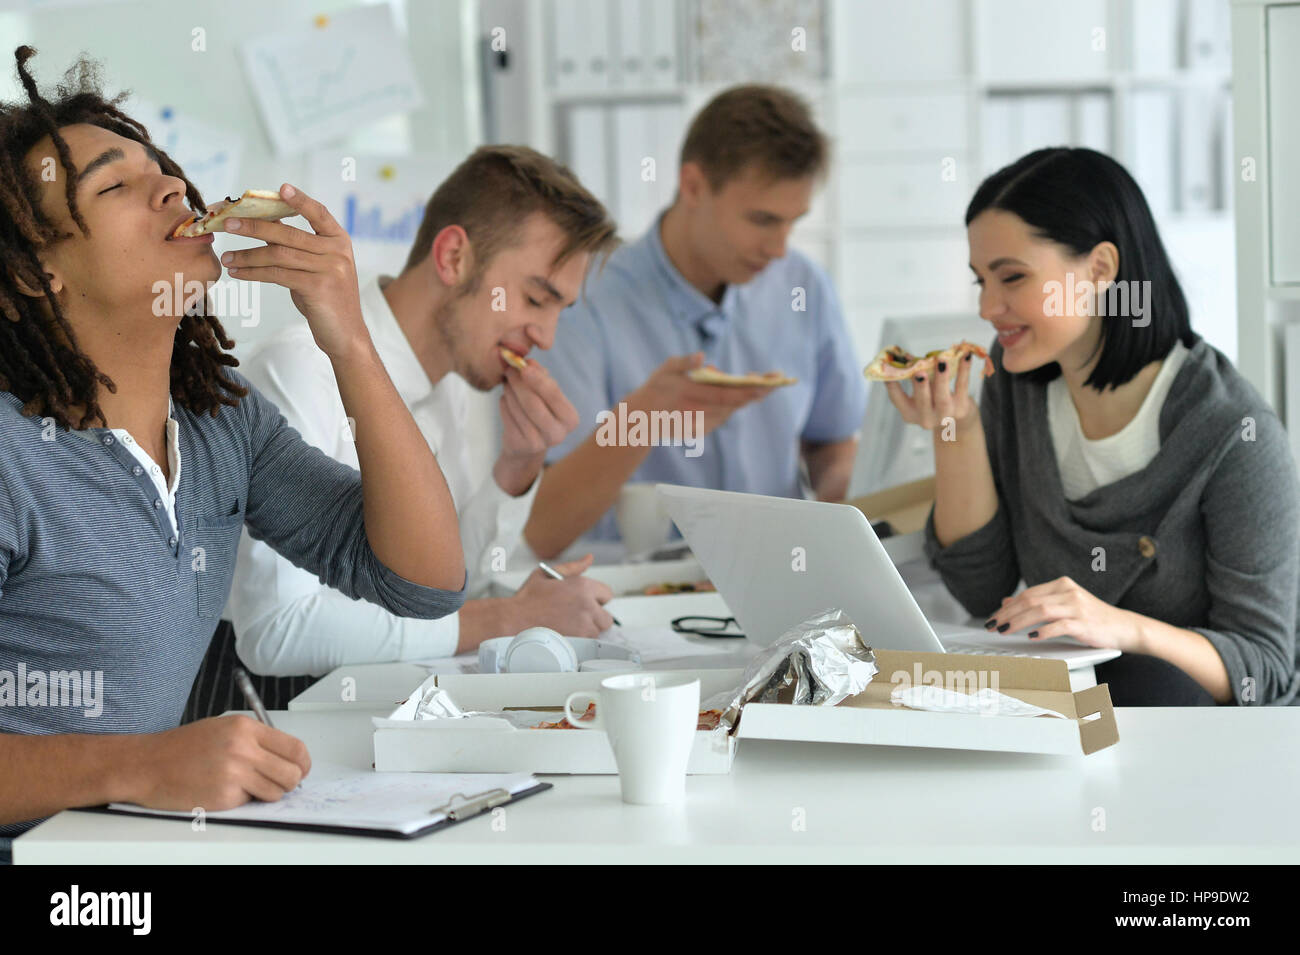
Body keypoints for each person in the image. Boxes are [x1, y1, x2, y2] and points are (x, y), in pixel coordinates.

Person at [0, 46, 466, 847]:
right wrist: (137, 766)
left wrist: (349, 338)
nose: (173, 188)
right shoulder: (14, 457)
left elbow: (424, 580)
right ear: (38, 274)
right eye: (116, 185)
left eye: (162, 169)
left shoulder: (224, 419)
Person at [886, 146, 1300, 706]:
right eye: (981, 280)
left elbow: (1264, 667)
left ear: (1100, 270)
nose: (987, 307)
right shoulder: (1016, 384)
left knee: (1149, 682)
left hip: (1196, 734)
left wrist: (1120, 627)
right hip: (1074, 716)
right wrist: (955, 429)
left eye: (1011, 277)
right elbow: (980, 588)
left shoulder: (1233, 432)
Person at [214, 146, 619, 697]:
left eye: (558, 310)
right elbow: (277, 633)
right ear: (453, 257)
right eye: (534, 298)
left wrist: (517, 469)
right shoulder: (300, 367)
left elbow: (446, 587)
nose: (545, 336)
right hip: (270, 709)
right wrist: (508, 619)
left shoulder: (464, 384)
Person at [525, 84, 867, 558]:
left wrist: (849, 506)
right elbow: (542, 526)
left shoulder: (802, 287)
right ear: (693, 185)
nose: (779, 247)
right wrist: (641, 421)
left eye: (794, 221)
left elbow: (832, 443)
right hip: (629, 594)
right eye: (763, 219)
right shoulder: (582, 299)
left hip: (783, 577)